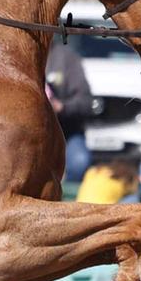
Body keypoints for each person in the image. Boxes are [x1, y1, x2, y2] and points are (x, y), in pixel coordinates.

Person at [45, 40, 95, 183]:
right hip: (30, 133)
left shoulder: (66, 58)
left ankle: (68, 200)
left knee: (79, 162)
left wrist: (61, 107)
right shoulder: (19, 55)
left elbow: (86, 102)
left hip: (66, 131)